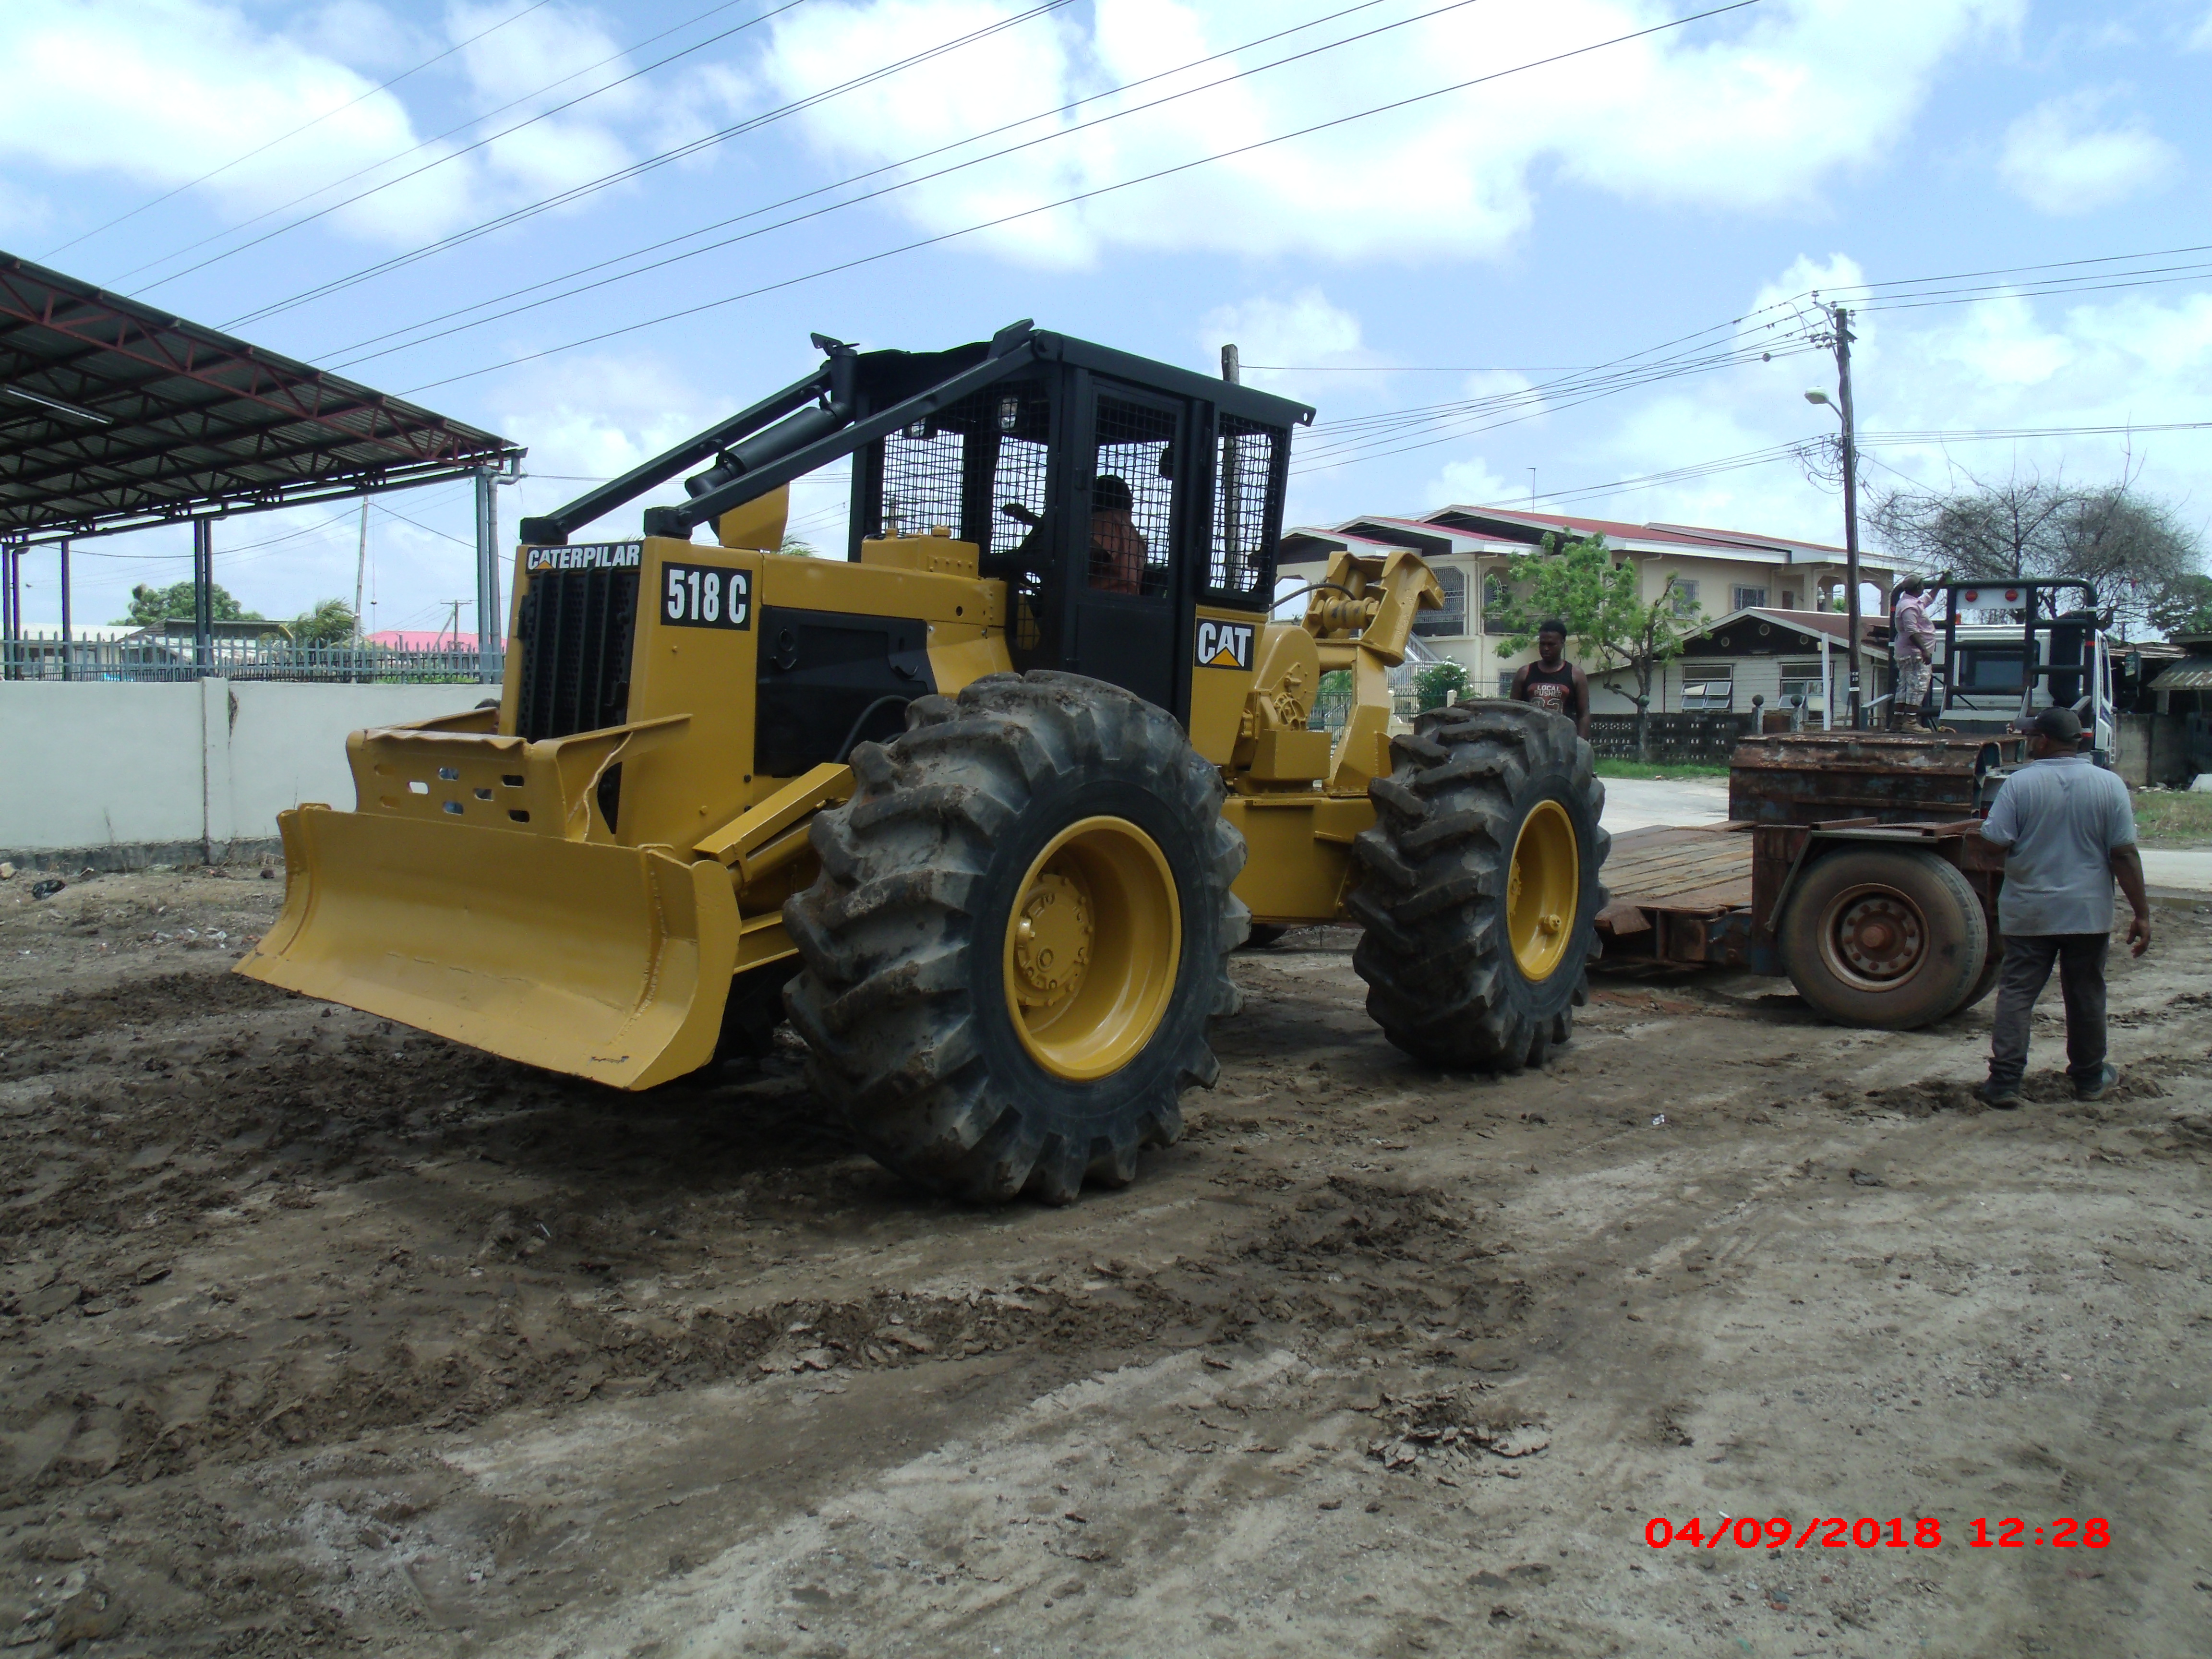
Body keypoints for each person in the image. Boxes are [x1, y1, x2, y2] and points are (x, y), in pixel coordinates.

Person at [1975, 706, 2151, 1107]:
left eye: (2030, 736)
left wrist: (1981, 839)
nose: (2027, 742)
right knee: (2086, 994)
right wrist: (2141, 913)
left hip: (2030, 911)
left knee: (2018, 994)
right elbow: (2124, 854)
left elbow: (1995, 843)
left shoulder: (2019, 785)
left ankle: (2004, 1083)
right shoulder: (2109, 785)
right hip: (2086, 914)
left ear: (2043, 741)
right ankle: (2089, 1079)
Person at [1511, 618, 1590, 741]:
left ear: (1562, 643)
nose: (1546, 648)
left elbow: (1584, 715)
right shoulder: (1524, 673)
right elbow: (1512, 712)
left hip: (1562, 741)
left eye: (1551, 644)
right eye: (1542, 644)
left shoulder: (1576, 675)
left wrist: (1581, 744)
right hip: (1530, 741)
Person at [1889, 576, 1938, 732]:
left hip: (1906, 652)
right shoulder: (1909, 607)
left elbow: (1927, 599)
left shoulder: (1909, 602)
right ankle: (1910, 721)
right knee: (1918, 685)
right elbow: (1912, 630)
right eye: (1922, 585)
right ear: (1917, 588)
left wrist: (1940, 585)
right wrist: (1924, 650)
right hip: (1914, 653)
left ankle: (1897, 722)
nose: (1923, 588)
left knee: (1904, 686)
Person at [1088, 475, 1146, 595]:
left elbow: (1093, 553)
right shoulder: (1134, 533)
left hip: (1098, 598)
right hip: (1126, 599)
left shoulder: (1104, 519)